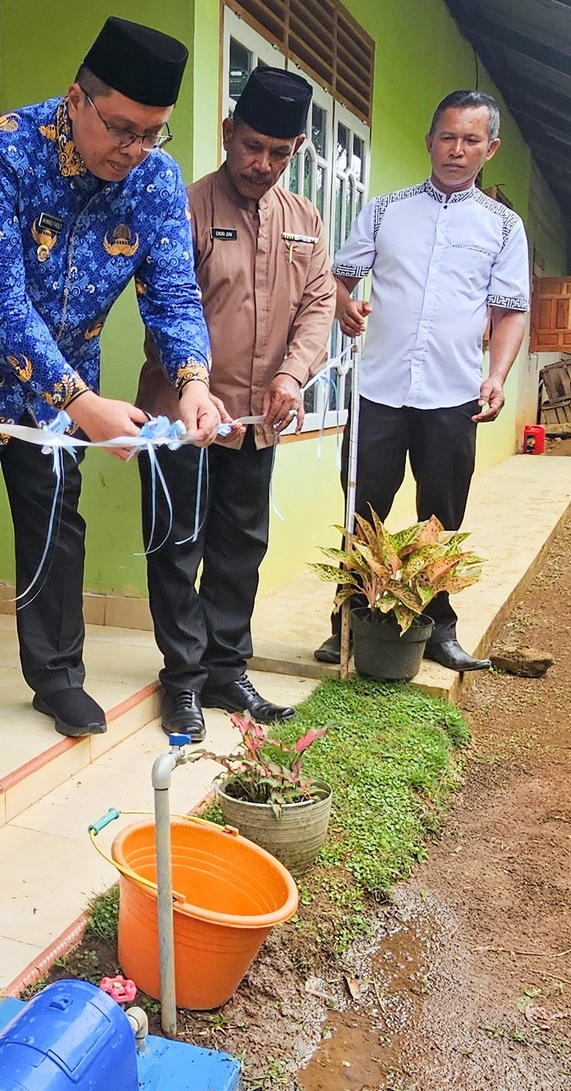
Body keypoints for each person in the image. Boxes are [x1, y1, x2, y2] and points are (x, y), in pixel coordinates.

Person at [0, 17, 220, 737]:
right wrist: (82, 401)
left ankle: (58, 677)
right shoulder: (2, 152)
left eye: (152, 133)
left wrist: (193, 378)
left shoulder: (157, 180)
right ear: (77, 99)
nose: (135, 151)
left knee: (54, 529)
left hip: (62, 396)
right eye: (122, 129)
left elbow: (172, 292)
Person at [139, 66, 331, 741]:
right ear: (227, 134)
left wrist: (294, 374)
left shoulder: (305, 220)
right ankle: (183, 681)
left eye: (279, 153)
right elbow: (166, 311)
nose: (262, 164)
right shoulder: (184, 208)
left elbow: (318, 304)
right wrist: (197, 389)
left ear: (297, 149)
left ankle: (227, 669)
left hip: (259, 421)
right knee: (177, 546)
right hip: (180, 419)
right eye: (251, 146)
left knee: (240, 549)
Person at [313, 89, 530, 674]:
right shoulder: (385, 211)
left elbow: (510, 312)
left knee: (441, 515)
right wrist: (343, 307)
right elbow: (338, 278)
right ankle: (348, 627)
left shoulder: (504, 227)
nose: (456, 150)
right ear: (429, 140)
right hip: (377, 390)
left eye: (470, 140)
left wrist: (498, 376)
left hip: (453, 395)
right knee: (365, 512)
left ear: (491, 148)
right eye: (447, 137)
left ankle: (436, 628)